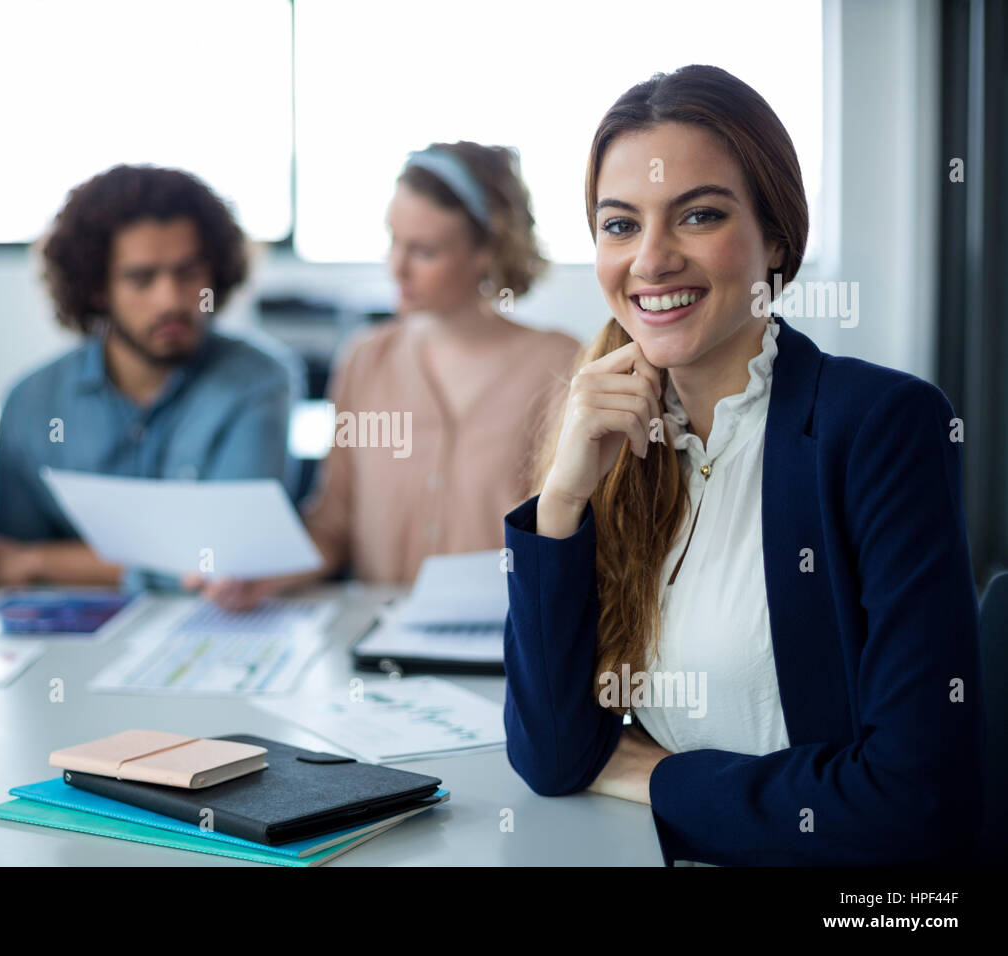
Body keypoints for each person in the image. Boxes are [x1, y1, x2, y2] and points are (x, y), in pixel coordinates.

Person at [502, 65, 985, 865]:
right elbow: (554, 757)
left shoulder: (879, 428)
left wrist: (656, 776)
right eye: (619, 225)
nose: (651, 260)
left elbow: (912, 808)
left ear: (777, 238)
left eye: (698, 215)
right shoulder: (616, 442)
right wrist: (562, 500)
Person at [192, 141, 583, 610]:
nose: (395, 267)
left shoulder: (561, 365)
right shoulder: (365, 359)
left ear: (487, 251)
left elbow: (571, 536)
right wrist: (265, 575)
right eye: (393, 240)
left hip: (505, 642)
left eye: (423, 251)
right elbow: (332, 526)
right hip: (379, 642)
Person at [0, 164, 301, 591]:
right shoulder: (32, 403)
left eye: (188, 274)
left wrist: (42, 562)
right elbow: (4, 565)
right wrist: (31, 563)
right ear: (97, 289)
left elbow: (227, 560)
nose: (170, 300)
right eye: (141, 279)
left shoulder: (258, 381)